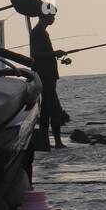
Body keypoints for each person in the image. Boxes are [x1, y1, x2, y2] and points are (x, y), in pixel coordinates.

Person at [29, 11, 66, 150]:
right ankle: (55, 142)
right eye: (52, 16)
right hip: (45, 77)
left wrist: (54, 54)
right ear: (45, 17)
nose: (54, 19)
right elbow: (35, 55)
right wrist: (54, 53)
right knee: (52, 109)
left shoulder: (41, 32)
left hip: (47, 76)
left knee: (48, 109)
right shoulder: (38, 32)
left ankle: (51, 142)